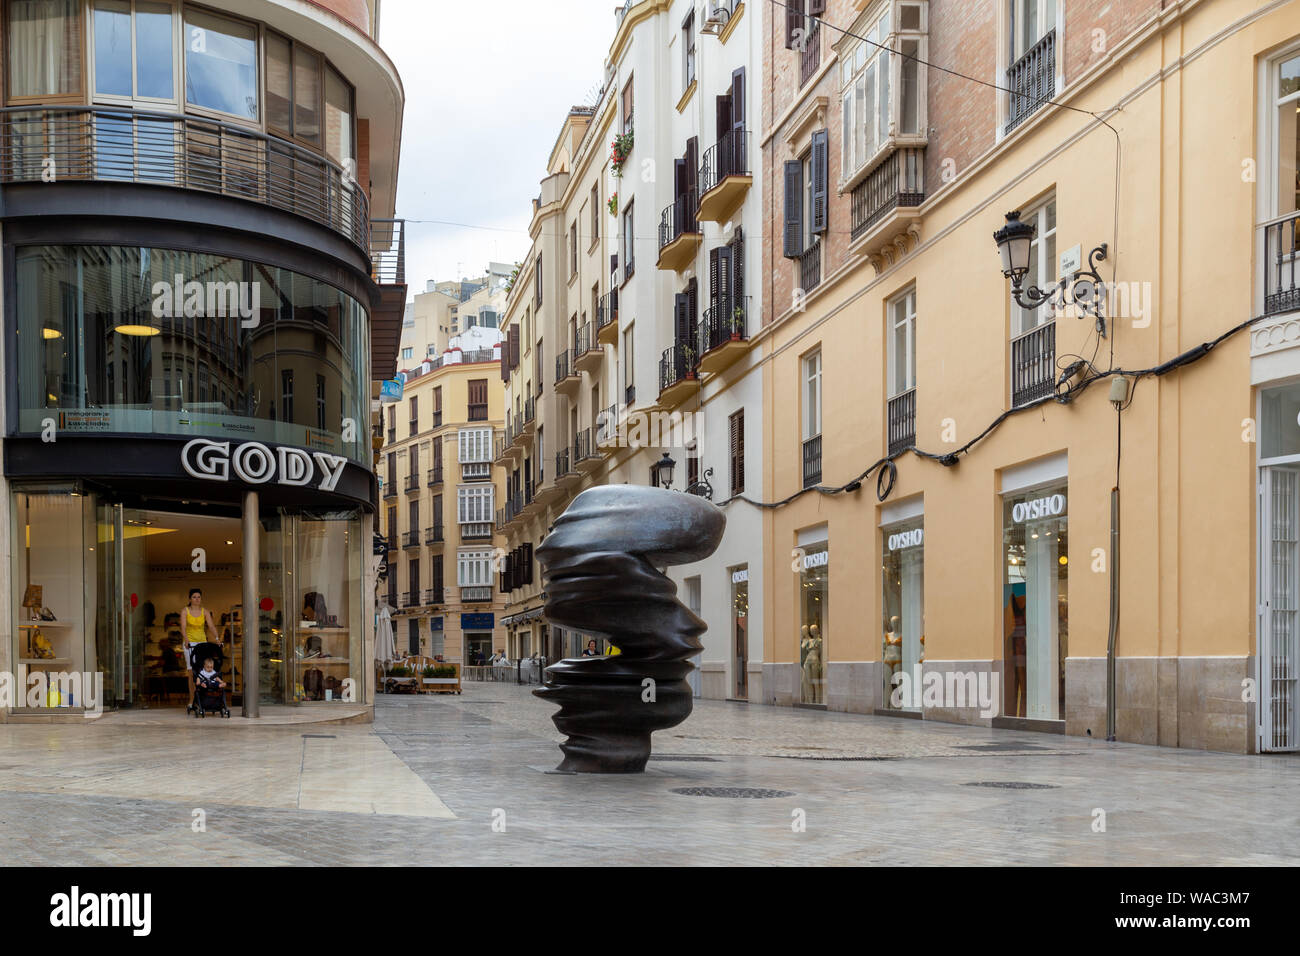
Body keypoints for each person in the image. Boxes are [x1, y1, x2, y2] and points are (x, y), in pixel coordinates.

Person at [180, 588, 219, 698]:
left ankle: (203, 697)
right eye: (194, 597)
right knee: (191, 672)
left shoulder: (205, 611)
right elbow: (182, 627)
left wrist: (217, 638)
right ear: (190, 599)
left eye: (199, 597)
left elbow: (211, 626)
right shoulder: (185, 611)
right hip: (190, 643)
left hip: (202, 643)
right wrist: (186, 639)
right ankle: (192, 699)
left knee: (203, 670)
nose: (197, 599)